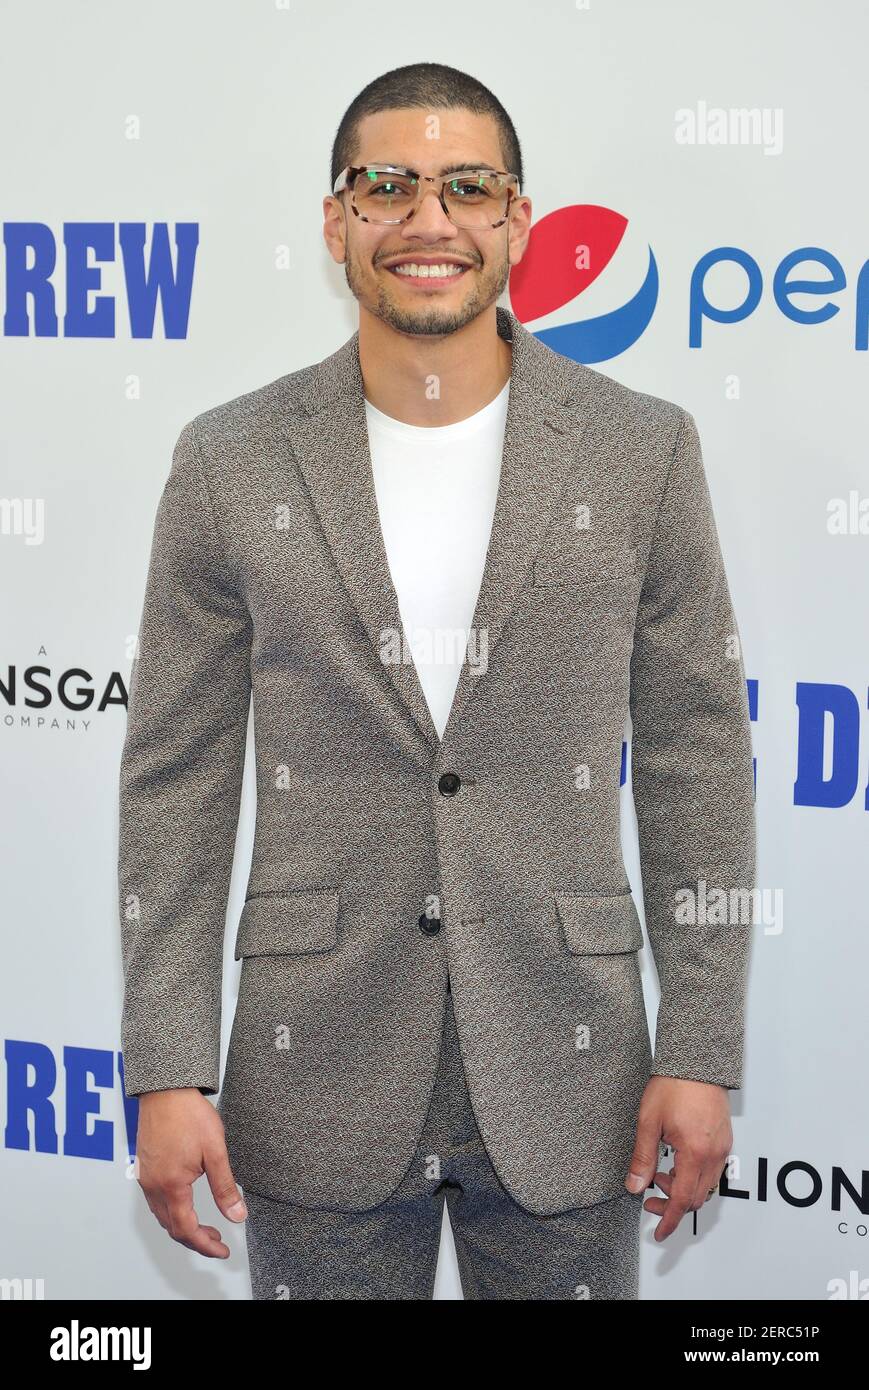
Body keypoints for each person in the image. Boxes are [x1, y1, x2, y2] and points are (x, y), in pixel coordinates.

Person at [118, 62, 756, 1300]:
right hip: (313, 1071)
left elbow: (693, 757)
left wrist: (700, 1045)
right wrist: (164, 1063)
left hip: (573, 1070)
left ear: (518, 221)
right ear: (335, 220)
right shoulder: (226, 459)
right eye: (387, 186)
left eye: (468, 187)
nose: (429, 220)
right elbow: (174, 783)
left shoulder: (642, 450)